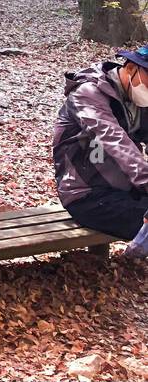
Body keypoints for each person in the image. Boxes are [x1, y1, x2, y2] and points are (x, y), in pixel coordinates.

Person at [54, 46, 148, 257]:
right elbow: (115, 141)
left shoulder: (137, 99)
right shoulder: (89, 94)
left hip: (126, 188)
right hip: (86, 195)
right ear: (131, 68)